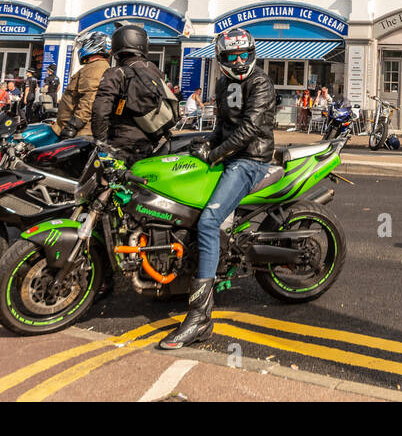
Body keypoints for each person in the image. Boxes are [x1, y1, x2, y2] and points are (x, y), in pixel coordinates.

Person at [160, 27, 275, 351]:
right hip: (229, 154)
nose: (239, 61)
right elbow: (224, 127)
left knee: (209, 221)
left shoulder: (260, 82)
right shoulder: (225, 82)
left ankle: (200, 319)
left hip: (250, 160)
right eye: (232, 56)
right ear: (221, 58)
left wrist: (214, 153)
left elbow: (250, 127)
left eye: (243, 54)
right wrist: (202, 143)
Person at [91, 23, 176, 164]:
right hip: (148, 140)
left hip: (121, 143)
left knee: (107, 183)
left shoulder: (116, 72)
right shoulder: (154, 70)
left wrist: (100, 142)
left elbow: (100, 110)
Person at [55, 32, 112, 138]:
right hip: (77, 131)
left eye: (84, 44)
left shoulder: (96, 67)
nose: (81, 48)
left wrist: (73, 125)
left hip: (81, 133)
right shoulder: (95, 66)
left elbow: (90, 99)